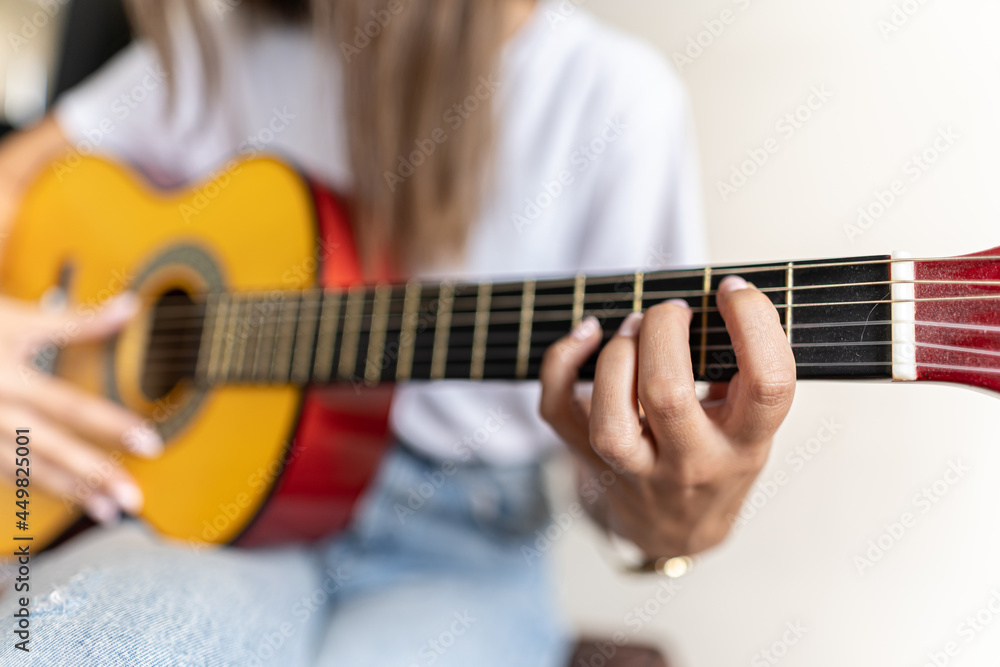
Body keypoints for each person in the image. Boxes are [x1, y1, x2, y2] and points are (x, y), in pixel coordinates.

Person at [0, 0, 797, 664]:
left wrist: (665, 515)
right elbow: (21, 174)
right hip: (215, 514)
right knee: (66, 639)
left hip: (456, 543)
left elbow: (631, 465)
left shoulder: (613, 99)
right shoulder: (228, 40)